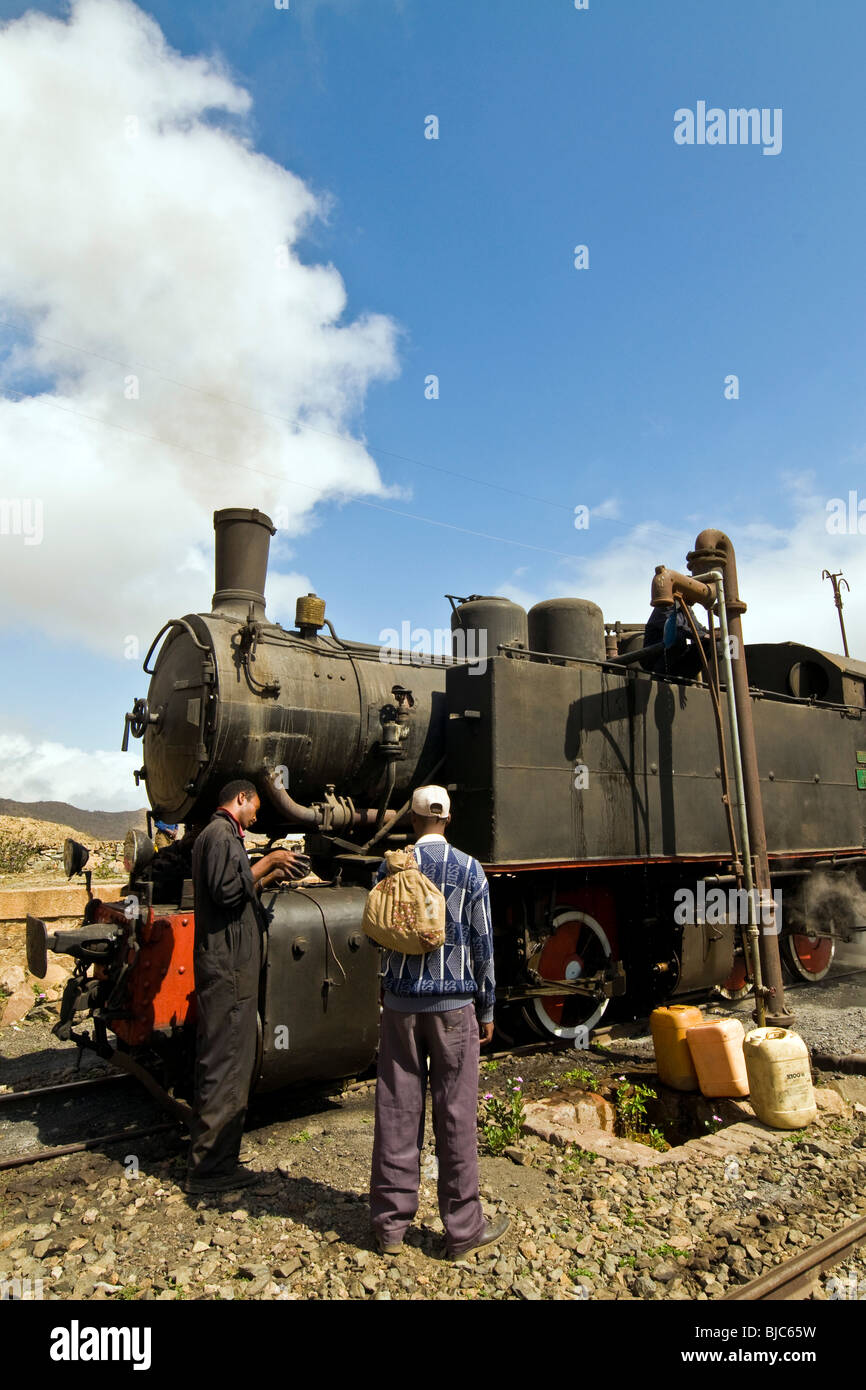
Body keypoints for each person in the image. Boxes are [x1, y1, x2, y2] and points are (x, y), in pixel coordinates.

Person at [369, 785, 509, 1259]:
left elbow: (377, 933)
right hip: (453, 1009)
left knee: (396, 1112)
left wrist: (387, 991)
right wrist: (487, 1006)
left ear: (411, 819)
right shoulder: (471, 870)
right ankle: (463, 1228)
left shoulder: (388, 867)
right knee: (455, 1114)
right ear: (448, 820)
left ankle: (390, 1226)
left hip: (401, 1008)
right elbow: (484, 943)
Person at [185, 779, 306, 1195]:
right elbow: (226, 891)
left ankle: (217, 1157)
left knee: (227, 1060)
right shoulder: (220, 835)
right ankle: (211, 1169)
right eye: (254, 808)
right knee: (227, 1063)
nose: (256, 816)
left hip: (228, 965)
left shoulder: (217, 836)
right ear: (240, 799)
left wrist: (269, 871)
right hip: (228, 969)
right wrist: (267, 858)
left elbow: (235, 891)